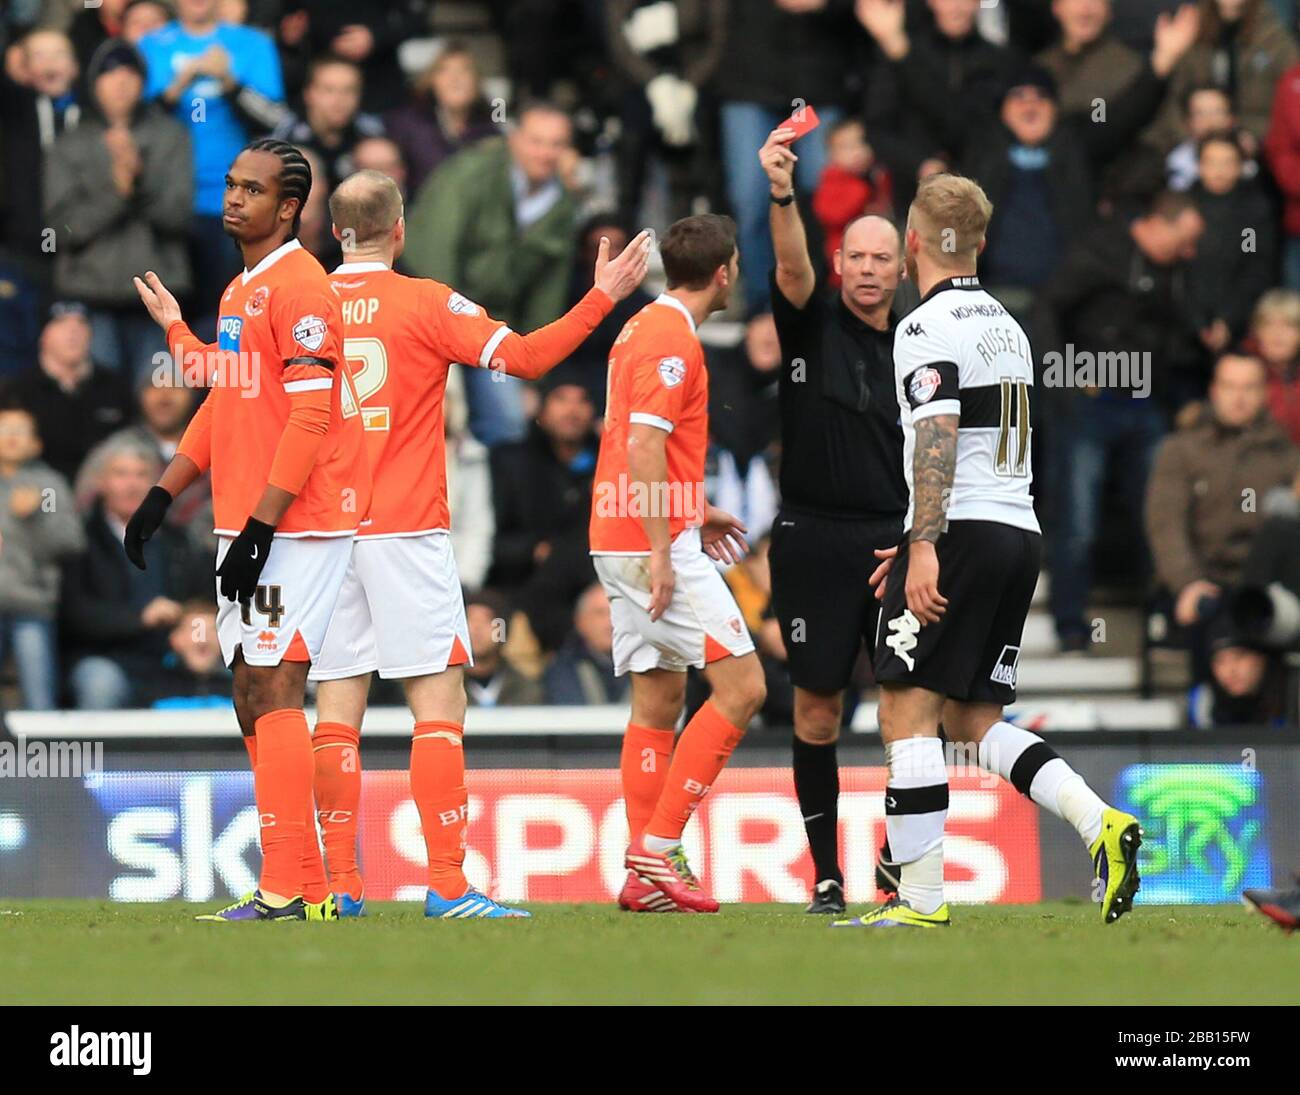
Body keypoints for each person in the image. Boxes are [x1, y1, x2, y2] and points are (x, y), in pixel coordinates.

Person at [304, 168, 649, 919]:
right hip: (404, 528)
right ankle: (448, 883)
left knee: (336, 707)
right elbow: (526, 358)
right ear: (400, 230)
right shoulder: (426, 301)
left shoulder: (301, 305)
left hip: (324, 534)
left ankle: (337, 886)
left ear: (336, 233)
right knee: (438, 705)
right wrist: (603, 297)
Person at [836, 174, 1140, 929]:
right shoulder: (1009, 322)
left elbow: (937, 435)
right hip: (1016, 532)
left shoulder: (923, 326)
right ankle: (1100, 819)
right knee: (973, 720)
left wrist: (927, 544)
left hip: (960, 531)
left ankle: (919, 901)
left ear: (911, 245)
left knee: (905, 708)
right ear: (979, 241)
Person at [125, 138, 370, 923]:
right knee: (248, 692)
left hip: (294, 522)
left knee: (274, 685)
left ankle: (290, 888)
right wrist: (165, 492)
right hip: (251, 520)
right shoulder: (242, 290)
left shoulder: (300, 287)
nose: (234, 198)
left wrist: (265, 523)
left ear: (289, 207)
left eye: (252, 189)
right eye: (230, 185)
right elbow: (226, 395)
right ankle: (310, 885)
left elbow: (310, 411)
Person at [589, 213, 764, 914]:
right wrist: (667, 549)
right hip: (646, 542)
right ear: (724, 272)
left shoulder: (639, 324)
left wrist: (694, 505)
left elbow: (646, 442)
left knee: (659, 698)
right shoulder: (671, 338)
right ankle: (657, 848)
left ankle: (641, 875)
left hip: (617, 529)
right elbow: (642, 446)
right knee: (744, 687)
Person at [758, 124, 908, 915]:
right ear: (839, 263)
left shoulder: (924, 343)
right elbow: (788, 261)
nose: (869, 269)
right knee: (816, 708)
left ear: (903, 266)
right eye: (857, 256)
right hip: (811, 539)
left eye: (883, 258)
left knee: (907, 712)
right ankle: (825, 873)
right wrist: (783, 191)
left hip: (896, 541)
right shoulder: (808, 323)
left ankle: (893, 858)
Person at [1034, 190, 1207, 652]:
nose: (1189, 252)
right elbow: (1046, 307)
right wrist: (1062, 382)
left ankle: (1161, 617)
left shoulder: (1178, 273)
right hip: (1090, 398)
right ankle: (1071, 624)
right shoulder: (1101, 251)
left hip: (1146, 401)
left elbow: (1177, 340)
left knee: (1158, 516)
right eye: (1184, 241)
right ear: (1157, 225)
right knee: (1078, 519)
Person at [403, 103, 580, 447]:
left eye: (556, 144)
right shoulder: (470, 174)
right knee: (437, 421)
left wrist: (532, 371)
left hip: (495, 327)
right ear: (514, 140)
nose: (545, 153)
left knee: (511, 421)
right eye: (536, 141)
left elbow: (547, 295)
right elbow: (434, 252)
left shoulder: (561, 205)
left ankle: (495, 501)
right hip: (434, 317)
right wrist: (448, 331)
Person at [44, 39, 192, 382]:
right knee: (102, 402)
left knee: (161, 400)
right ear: (94, 83)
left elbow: (179, 218)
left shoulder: (171, 136)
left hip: (160, 298)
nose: (121, 81)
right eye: (110, 73)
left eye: (130, 73)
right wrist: (117, 191)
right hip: (90, 298)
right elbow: (61, 230)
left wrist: (135, 184)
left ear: (143, 81)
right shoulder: (70, 143)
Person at [1144, 353, 1299, 679]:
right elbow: (1166, 524)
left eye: (1249, 387)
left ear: (1264, 393)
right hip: (1205, 581)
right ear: (1214, 390)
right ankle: (1211, 715)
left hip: (1268, 589)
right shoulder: (1181, 450)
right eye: (1230, 386)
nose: (1239, 398)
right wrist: (1187, 582)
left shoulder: (1287, 456)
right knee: (1214, 617)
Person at [138, 0, 286, 340]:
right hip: (166, 202)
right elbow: (138, 123)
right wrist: (179, 84)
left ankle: (219, 388)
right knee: (167, 316)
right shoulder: (151, 45)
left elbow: (274, 120)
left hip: (234, 201)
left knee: (226, 314)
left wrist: (229, 82)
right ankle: (170, 389)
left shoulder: (252, 43)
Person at [61, 433, 207, 709]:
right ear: (101, 483)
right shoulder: (80, 540)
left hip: (170, 658)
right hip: (104, 659)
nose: (131, 484)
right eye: (121, 474)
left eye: (141, 475)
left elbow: (202, 603)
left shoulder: (179, 541)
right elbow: (75, 615)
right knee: (100, 684)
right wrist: (141, 618)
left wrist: (194, 629)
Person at [0, 402, 84, 710]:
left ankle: (46, 755)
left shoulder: (48, 487)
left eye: (20, 431)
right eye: (5, 428)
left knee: (39, 699)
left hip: (32, 604)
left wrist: (35, 516)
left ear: (36, 444)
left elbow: (71, 542)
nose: (11, 437)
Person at [1, 303, 134, 483]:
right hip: (35, 493)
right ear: (43, 335)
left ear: (91, 334)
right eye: (62, 324)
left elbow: (132, 445)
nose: (73, 333)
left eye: (81, 324)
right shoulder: (17, 392)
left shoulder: (116, 388)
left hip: (104, 495)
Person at [383, 40, 498, 197]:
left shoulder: (492, 131)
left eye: (464, 71)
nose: (455, 79)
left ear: (477, 81)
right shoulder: (405, 124)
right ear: (431, 81)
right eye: (444, 71)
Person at [270, 55, 384, 190]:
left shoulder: (370, 133)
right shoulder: (286, 135)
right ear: (309, 94)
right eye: (329, 90)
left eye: (349, 91)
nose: (339, 100)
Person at [544, 583, 629, 705]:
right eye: (600, 613)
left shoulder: (645, 663)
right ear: (581, 621)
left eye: (617, 612)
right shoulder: (564, 668)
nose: (611, 622)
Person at [1247, 289, 1300, 443]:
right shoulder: (1239, 371)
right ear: (1257, 331)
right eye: (1268, 324)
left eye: (1288, 325)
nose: (1277, 333)